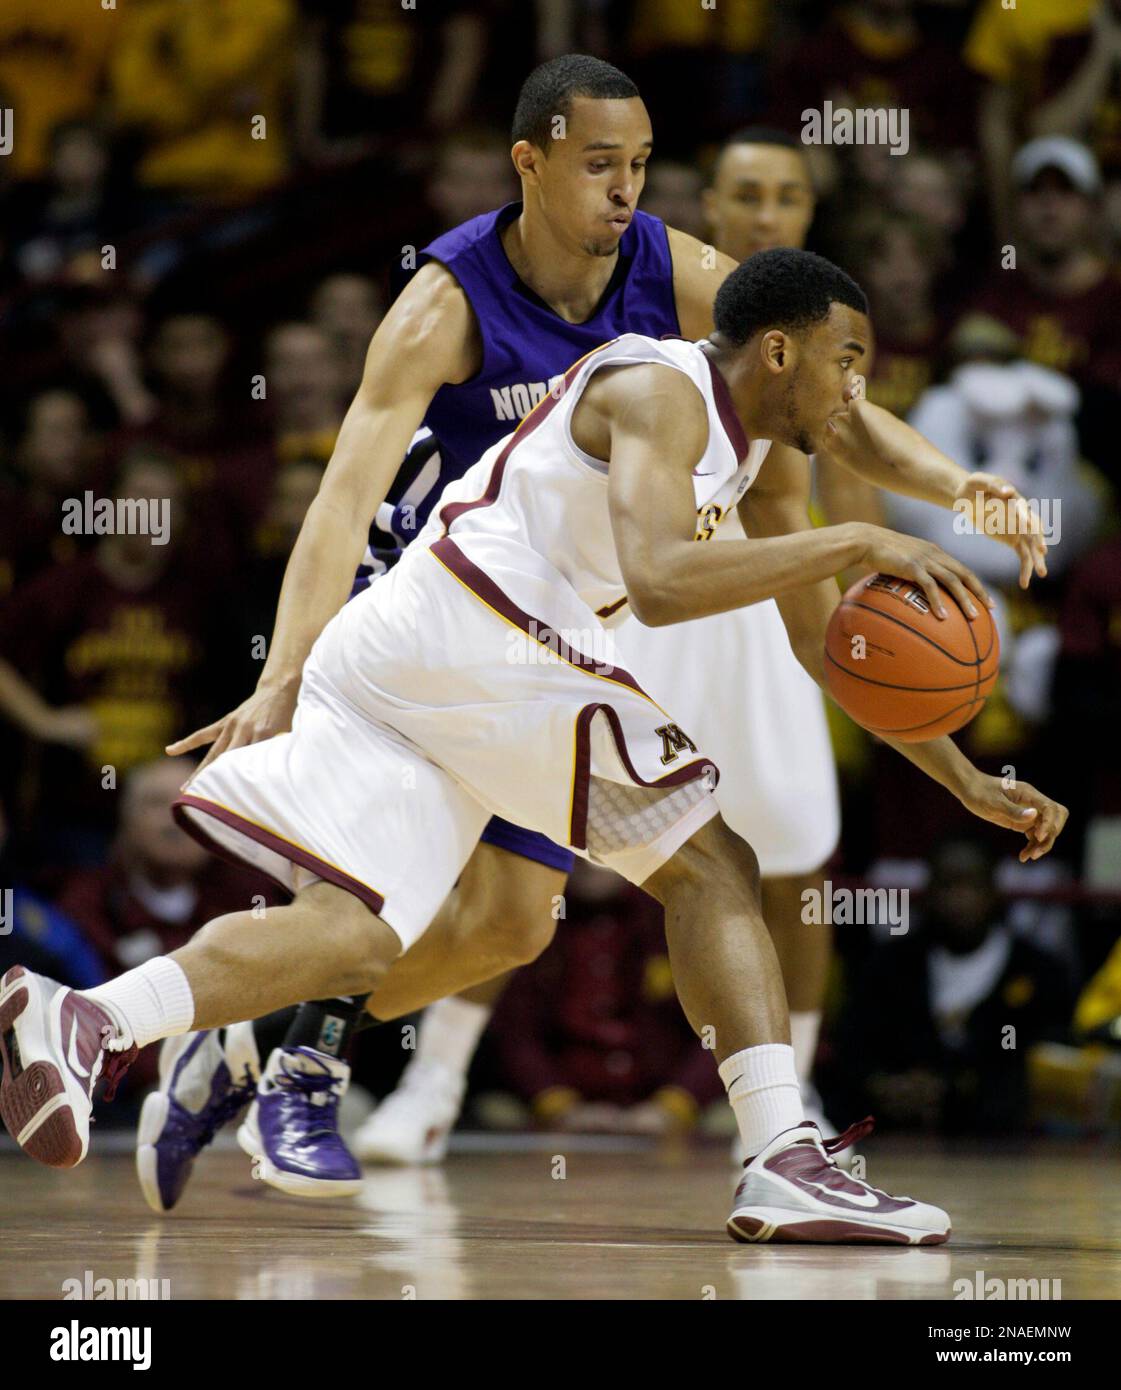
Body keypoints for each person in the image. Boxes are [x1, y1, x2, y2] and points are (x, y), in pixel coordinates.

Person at [0, 248, 1068, 1245]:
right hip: (487, 639)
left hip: (409, 651)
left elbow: (856, 435)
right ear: (777, 351)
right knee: (712, 862)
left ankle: (86, 1016)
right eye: (846, 361)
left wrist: (962, 746)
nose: (854, 389)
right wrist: (858, 536)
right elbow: (653, 579)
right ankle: (782, 1153)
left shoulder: (753, 417)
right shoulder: (660, 393)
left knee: (352, 940)